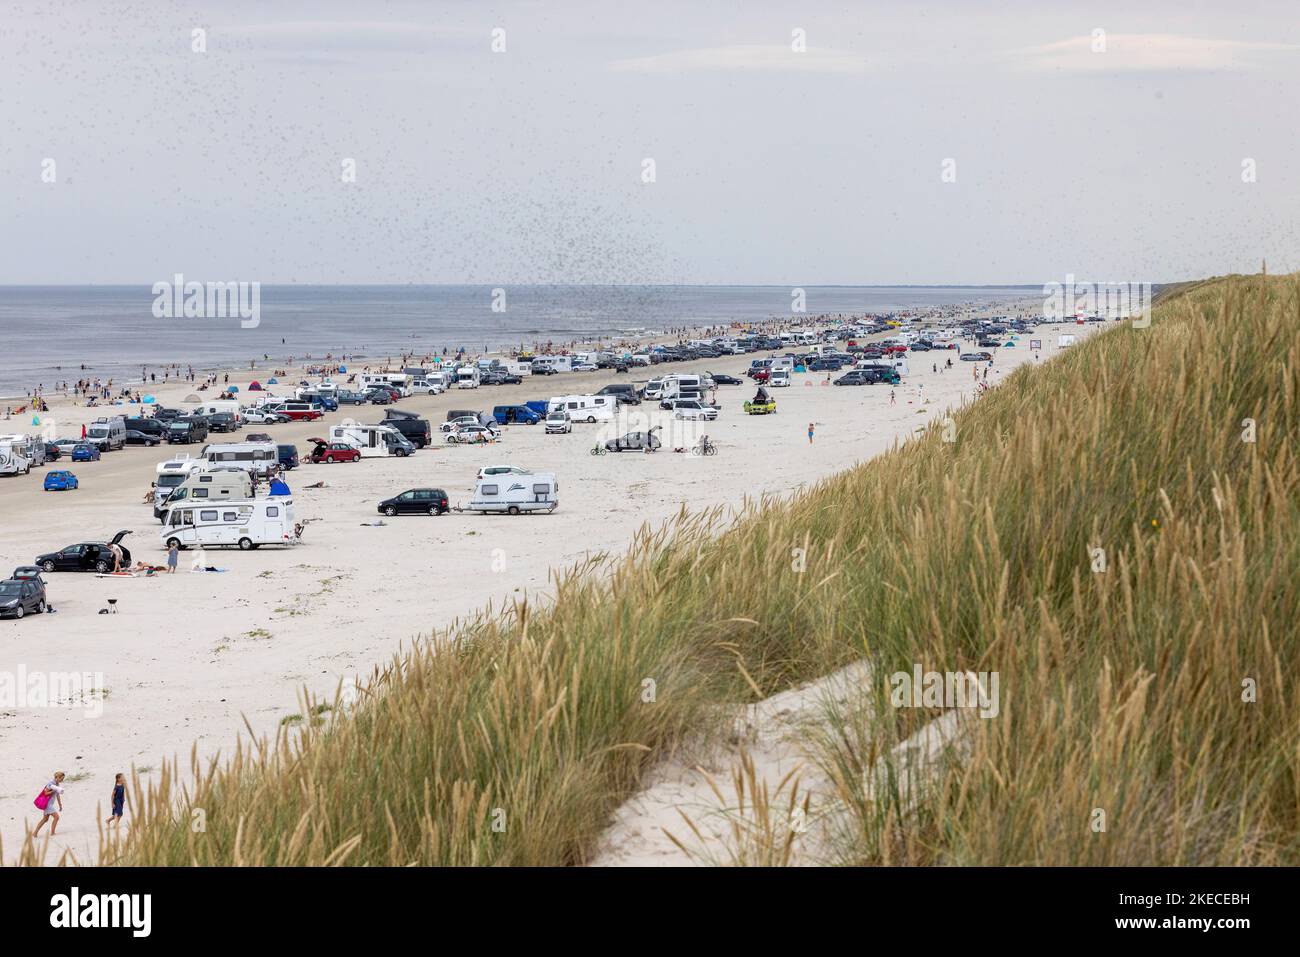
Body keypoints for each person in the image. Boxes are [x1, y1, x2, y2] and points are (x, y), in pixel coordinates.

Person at [32, 772, 66, 836]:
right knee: (56, 817)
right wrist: (54, 790)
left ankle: (35, 833)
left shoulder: (57, 785)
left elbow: (57, 795)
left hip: (49, 804)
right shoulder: (50, 784)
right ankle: (52, 833)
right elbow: (45, 793)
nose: (62, 780)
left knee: (45, 819)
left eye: (63, 779)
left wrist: (60, 804)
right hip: (48, 804)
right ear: (57, 777)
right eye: (61, 778)